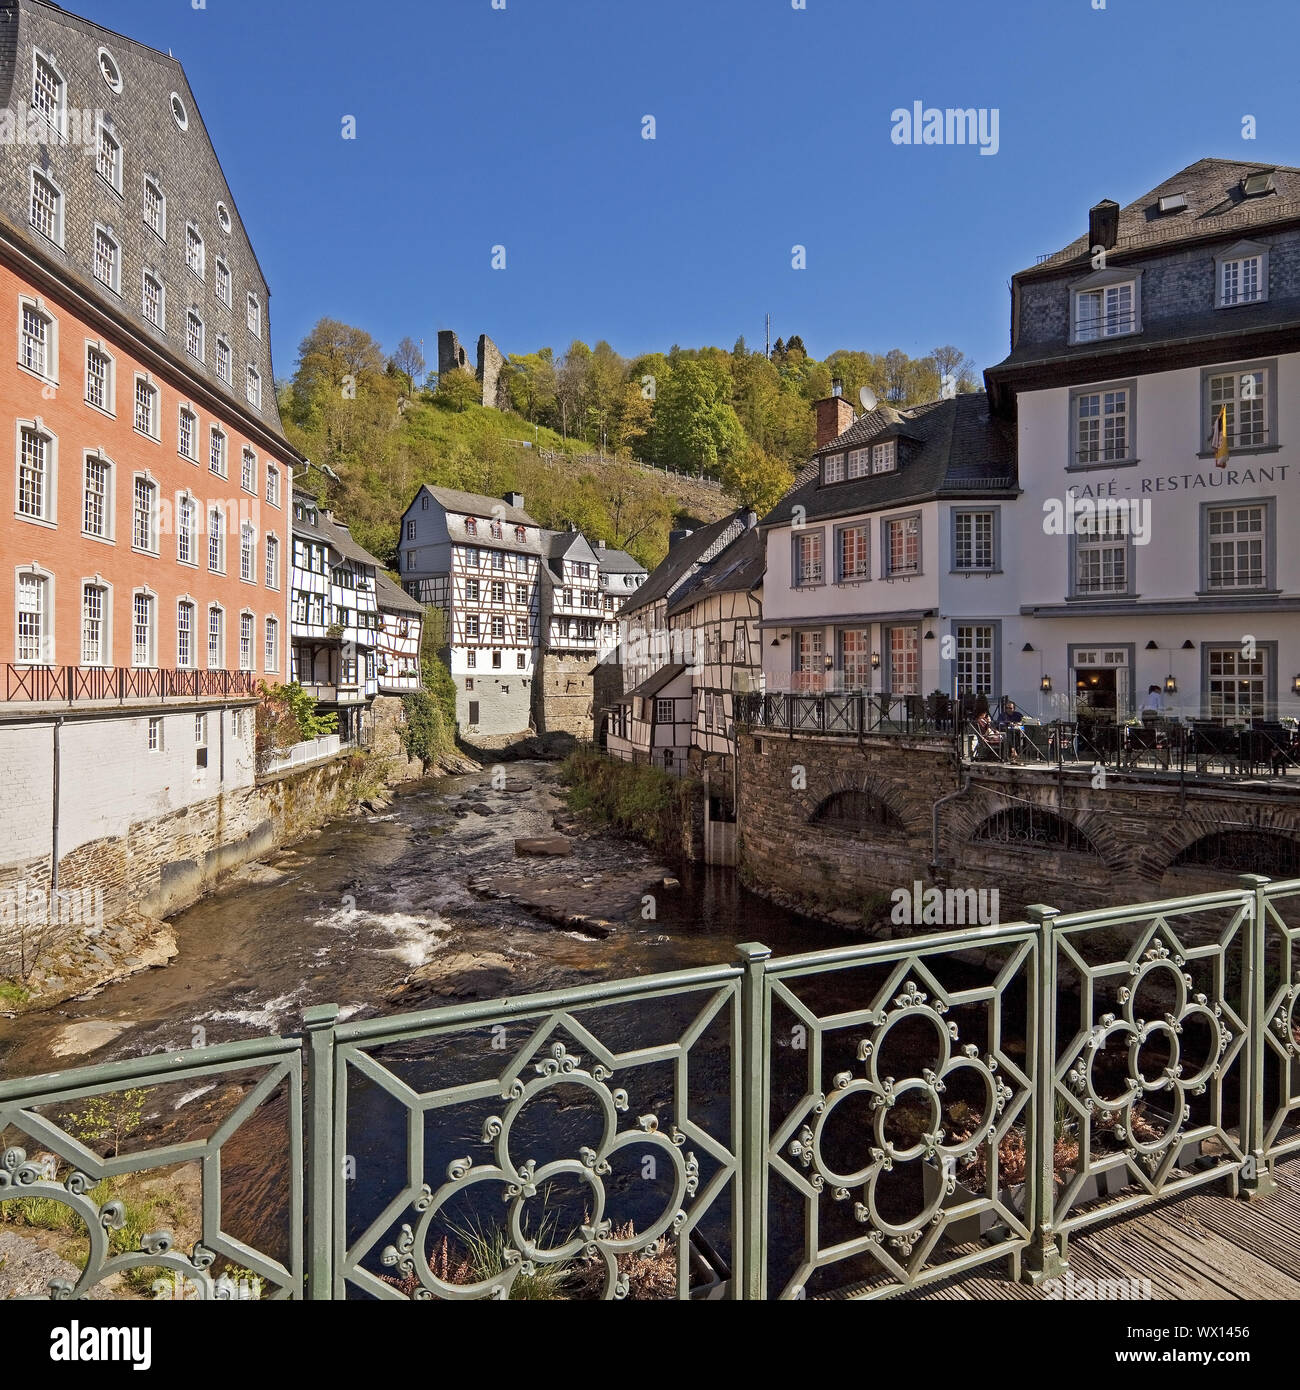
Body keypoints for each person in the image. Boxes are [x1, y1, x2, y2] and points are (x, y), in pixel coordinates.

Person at [995, 697, 1025, 761]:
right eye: (1007, 708)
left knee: (1020, 735)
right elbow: (999, 723)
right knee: (1009, 734)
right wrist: (1008, 723)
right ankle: (1013, 751)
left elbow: (1023, 722)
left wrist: (1019, 723)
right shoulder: (1002, 715)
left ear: (1014, 709)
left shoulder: (1018, 715)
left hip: (1017, 732)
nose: (1008, 709)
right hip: (1005, 731)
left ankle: (1018, 752)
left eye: (1010, 708)